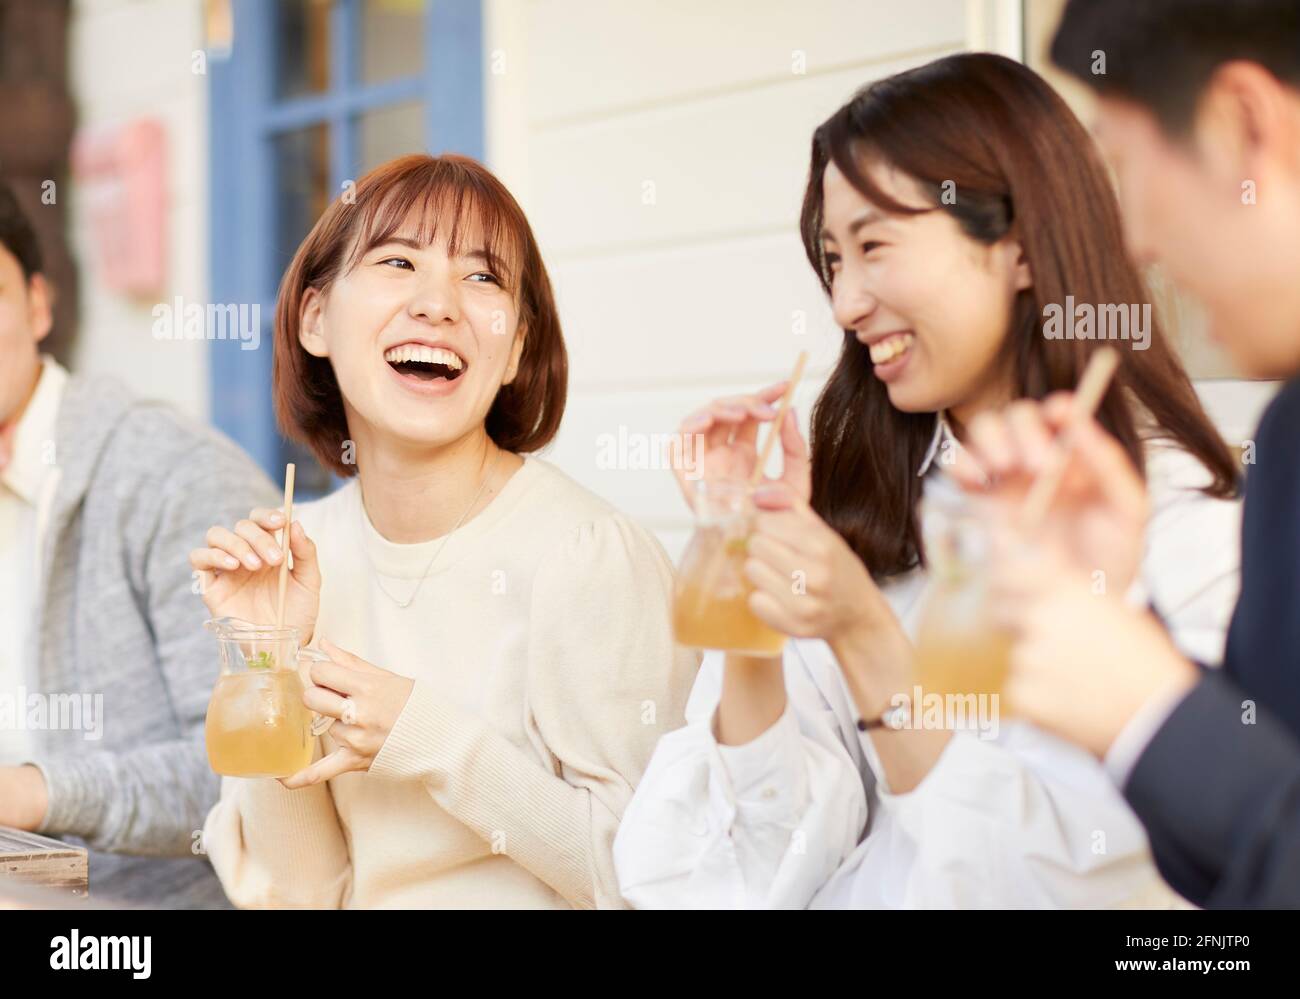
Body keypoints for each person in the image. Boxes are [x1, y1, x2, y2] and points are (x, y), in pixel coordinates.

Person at [613, 53, 1242, 908]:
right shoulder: (873, 498)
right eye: (834, 258)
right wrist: (751, 592)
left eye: (875, 244)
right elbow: (737, 878)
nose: (844, 304)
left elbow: (1088, 887)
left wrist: (865, 633)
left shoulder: (1179, 524)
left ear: (1018, 245)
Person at [196, 153, 697, 908]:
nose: (439, 304)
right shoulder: (300, 558)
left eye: (482, 276)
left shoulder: (587, 556)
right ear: (314, 318)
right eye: (398, 261)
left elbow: (647, 882)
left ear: (518, 347)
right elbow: (297, 895)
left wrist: (424, 735)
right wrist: (269, 667)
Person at [950, 0, 1300, 909]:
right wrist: (1119, 606)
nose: (1137, 242)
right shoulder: (1288, 440)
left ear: (1241, 123)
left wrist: (1150, 706)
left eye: (1124, 162)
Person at [0, 180, 279, 906]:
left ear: (37, 304)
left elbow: (244, 771)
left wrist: (35, 794)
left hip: (148, 905)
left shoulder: (173, 473)